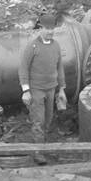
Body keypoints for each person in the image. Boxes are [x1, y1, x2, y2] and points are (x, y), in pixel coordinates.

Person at [19, 13, 66, 143]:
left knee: (48, 119)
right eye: (47, 28)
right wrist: (26, 91)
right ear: (40, 29)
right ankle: (38, 153)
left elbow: (60, 67)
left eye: (52, 29)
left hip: (51, 89)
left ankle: (43, 145)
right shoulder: (32, 46)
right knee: (38, 121)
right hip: (36, 90)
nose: (50, 31)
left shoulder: (56, 45)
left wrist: (62, 89)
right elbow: (23, 68)